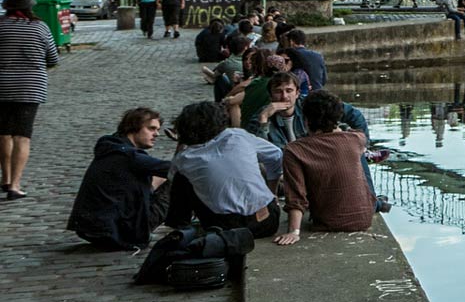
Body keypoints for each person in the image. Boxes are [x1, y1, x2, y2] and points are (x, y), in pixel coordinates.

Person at [170, 100, 283, 238]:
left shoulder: (185, 158)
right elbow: (276, 154)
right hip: (267, 221)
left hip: (226, 228)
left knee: (182, 179)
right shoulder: (237, 136)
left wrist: (181, 146)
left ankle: (180, 224)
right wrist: (272, 190)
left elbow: (171, 178)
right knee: (255, 165)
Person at [278, 91, 377, 246]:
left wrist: (294, 231)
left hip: (327, 221)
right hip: (364, 219)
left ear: (306, 119)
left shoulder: (294, 150)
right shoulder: (356, 139)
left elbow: (296, 196)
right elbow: (356, 133)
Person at [66, 107, 169, 250]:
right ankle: (186, 225)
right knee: (179, 179)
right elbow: (178, 168)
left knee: (163, 176)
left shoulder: (112, 148)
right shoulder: (130, 156)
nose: (156, 134)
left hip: (90, 229)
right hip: (117, 233)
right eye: (151, 129)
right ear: (134, 127)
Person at [0, 0, 58, 201]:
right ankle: (15, 185)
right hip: (30, 86)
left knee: (3, 132)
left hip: (2, 85)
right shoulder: (40, 28)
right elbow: (53, 58)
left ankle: (5, 178)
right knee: (22, 135)